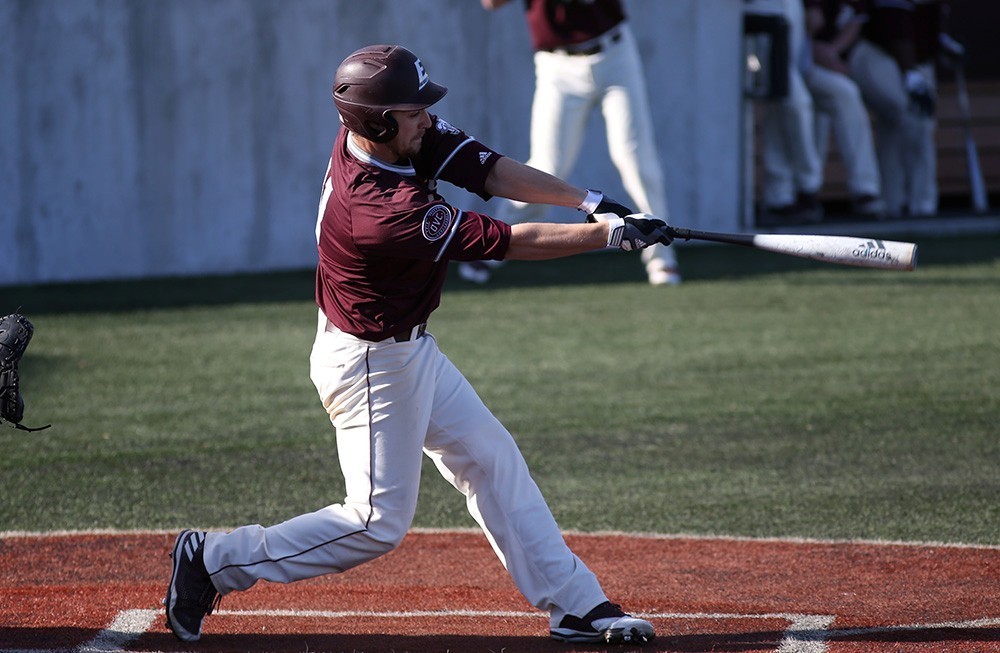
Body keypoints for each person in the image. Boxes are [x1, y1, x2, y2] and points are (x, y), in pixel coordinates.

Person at [163, 44, 668, 646]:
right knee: (374, 523)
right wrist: (603, 240)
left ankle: (578, 606)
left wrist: (589, 202)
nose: (426, 118)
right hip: (371, 365)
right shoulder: (380, 211)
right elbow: (510, 241)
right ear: (379, 122)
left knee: (491, 459)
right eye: (414, 111)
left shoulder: (393, 134)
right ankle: (213, 560)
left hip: (407, 351)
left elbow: (491, 170)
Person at [464, 0, 681, 286]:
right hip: (557, 66)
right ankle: (496, 242)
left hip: (614, 53)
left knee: (635, 159)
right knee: (547, 165)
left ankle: (661, 257)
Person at [847, 0, 949, 218]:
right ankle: (922, 207)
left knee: (897, 125)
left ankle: (894, 203)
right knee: (914, 116)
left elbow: (925, 24)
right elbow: (893, 25)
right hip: (879, 54)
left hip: (916, 62)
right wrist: (911, 75)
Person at [803, 0, 886, 218]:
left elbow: (855, 22)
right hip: (796, 61)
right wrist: (823, 55)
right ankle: (808, 190)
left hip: (829, 64)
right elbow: (807, 27)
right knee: (844, 93)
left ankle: (861, 190)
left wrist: (832, 53)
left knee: (828, 108)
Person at [746, 0, 826, 225]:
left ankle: (778, 197)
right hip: (760, 11)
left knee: (777, 108)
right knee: (794, 101)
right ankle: (808, 187)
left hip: (791, 10)